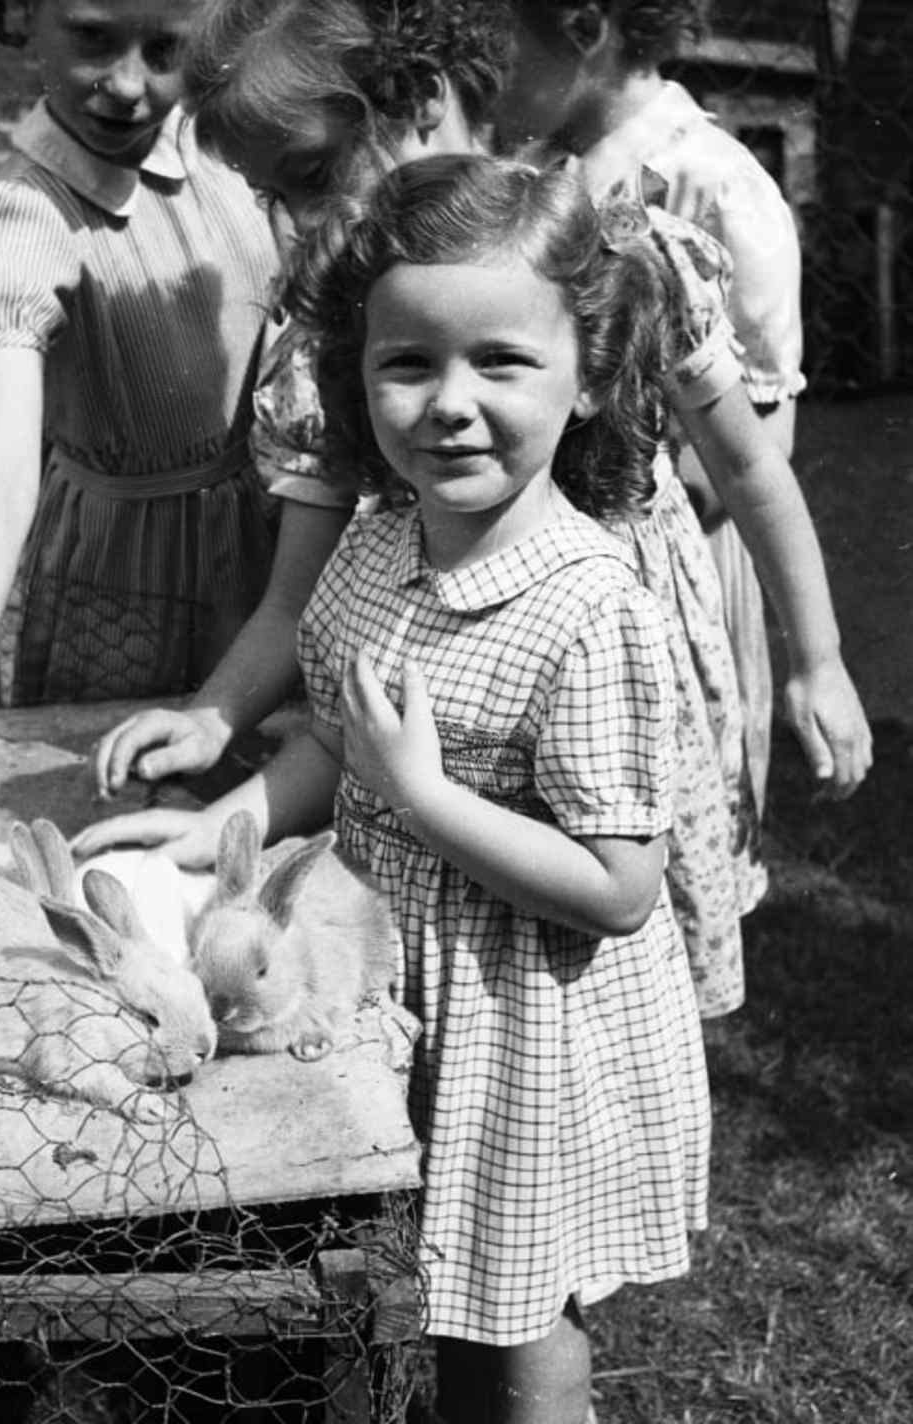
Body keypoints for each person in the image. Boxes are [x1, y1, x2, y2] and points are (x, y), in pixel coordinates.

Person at [78, 154, 712, 1424]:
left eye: (501, 362)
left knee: (514, 1321)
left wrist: (425, 798)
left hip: (523, 1017)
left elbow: (620, 887)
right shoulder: (374, 541)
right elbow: (335, 741)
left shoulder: (592, 610)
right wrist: (230, 828)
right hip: (381, 976)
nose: (450, 404)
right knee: (396, 1282)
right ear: (357, 379)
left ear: (585, 375)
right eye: (408, 363)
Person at [90, 0, 872, 1018]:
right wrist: (214, 714)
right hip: (451, 703)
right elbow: (299, 594)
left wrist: (817, 656)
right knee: (461, 973)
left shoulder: (614, 256)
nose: (306, 223)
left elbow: (755, 469)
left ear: (411, 102)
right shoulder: (340, 338)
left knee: (625, 954)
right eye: (277, 198)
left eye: (318, 175)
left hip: (611, 680)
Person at [0, 0, 282, 876]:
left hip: (263, 558)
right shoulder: (26, 209)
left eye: (165, 49)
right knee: (111, 841)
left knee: (250, 845)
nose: (129, 86)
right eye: (93, 38)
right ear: (26, 15)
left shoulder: (232, 150)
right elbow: (3, 460)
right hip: (122, 582)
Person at [493, 0, 809, 823]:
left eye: (502, 47)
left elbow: (754, 447)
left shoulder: (718, 187)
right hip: (551, 564)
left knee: (668, 823)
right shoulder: (534, 176)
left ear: (583, 31)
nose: (483, 75)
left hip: (668, 562)